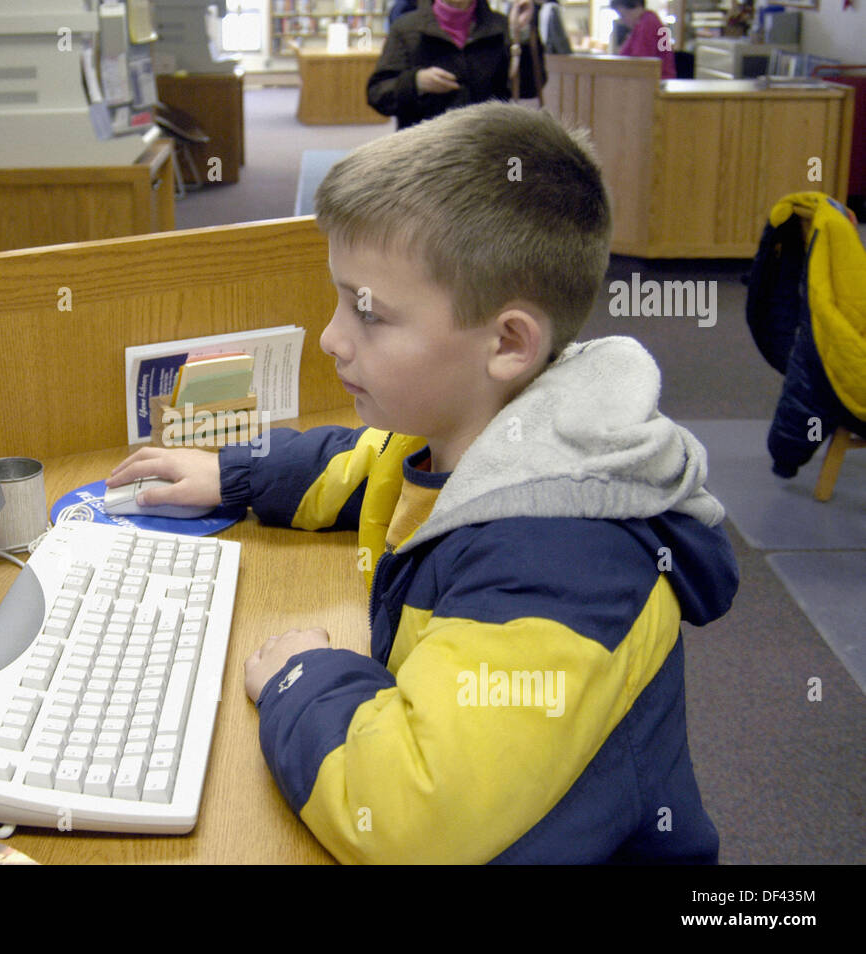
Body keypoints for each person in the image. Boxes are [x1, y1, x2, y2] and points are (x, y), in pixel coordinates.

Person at [106, 101, 737, 863]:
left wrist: (302, 675)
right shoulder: (478, 429)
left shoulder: (562, 567)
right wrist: (234, 473)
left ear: (508, 343)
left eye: (368, 313)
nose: (333, 338)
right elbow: (364, 464)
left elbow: (411, 818)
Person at [368, 0, 543, 130]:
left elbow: (529, 88)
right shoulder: (406, 28)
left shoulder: (502, 26)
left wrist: (522, 33)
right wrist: (416, 82)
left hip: (487, 152)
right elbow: (378, 94)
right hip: (424, 156)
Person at [611, 0, 676, 79]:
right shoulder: (647, 21)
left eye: (623, 15)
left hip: (653, 82)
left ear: (634, 7)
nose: (622, 21)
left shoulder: (647, 26)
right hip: (652, 80)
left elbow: (640, 64)